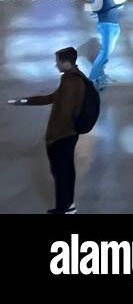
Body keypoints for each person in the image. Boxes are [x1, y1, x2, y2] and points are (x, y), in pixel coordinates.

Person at [9, 47, 94, 214]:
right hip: (67, 134)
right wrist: (24, 101)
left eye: (58, 62)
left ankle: (66, 207)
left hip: (63, 135)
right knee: (63, 171)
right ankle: (66, 205)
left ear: (66, 62)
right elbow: (51, 98)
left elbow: (65, 112)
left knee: (62, 172)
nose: (56, 66)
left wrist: (53, 137)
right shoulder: (73, 79)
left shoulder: (71, 82)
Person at [88, 0, 127, 89]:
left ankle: (101, 76)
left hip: (115, 23)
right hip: (106, 24)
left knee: (107, 53)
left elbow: (119, 6)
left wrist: (120, 3)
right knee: (104, 52)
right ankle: (93, 79)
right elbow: (95, 8)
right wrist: (115, 3)